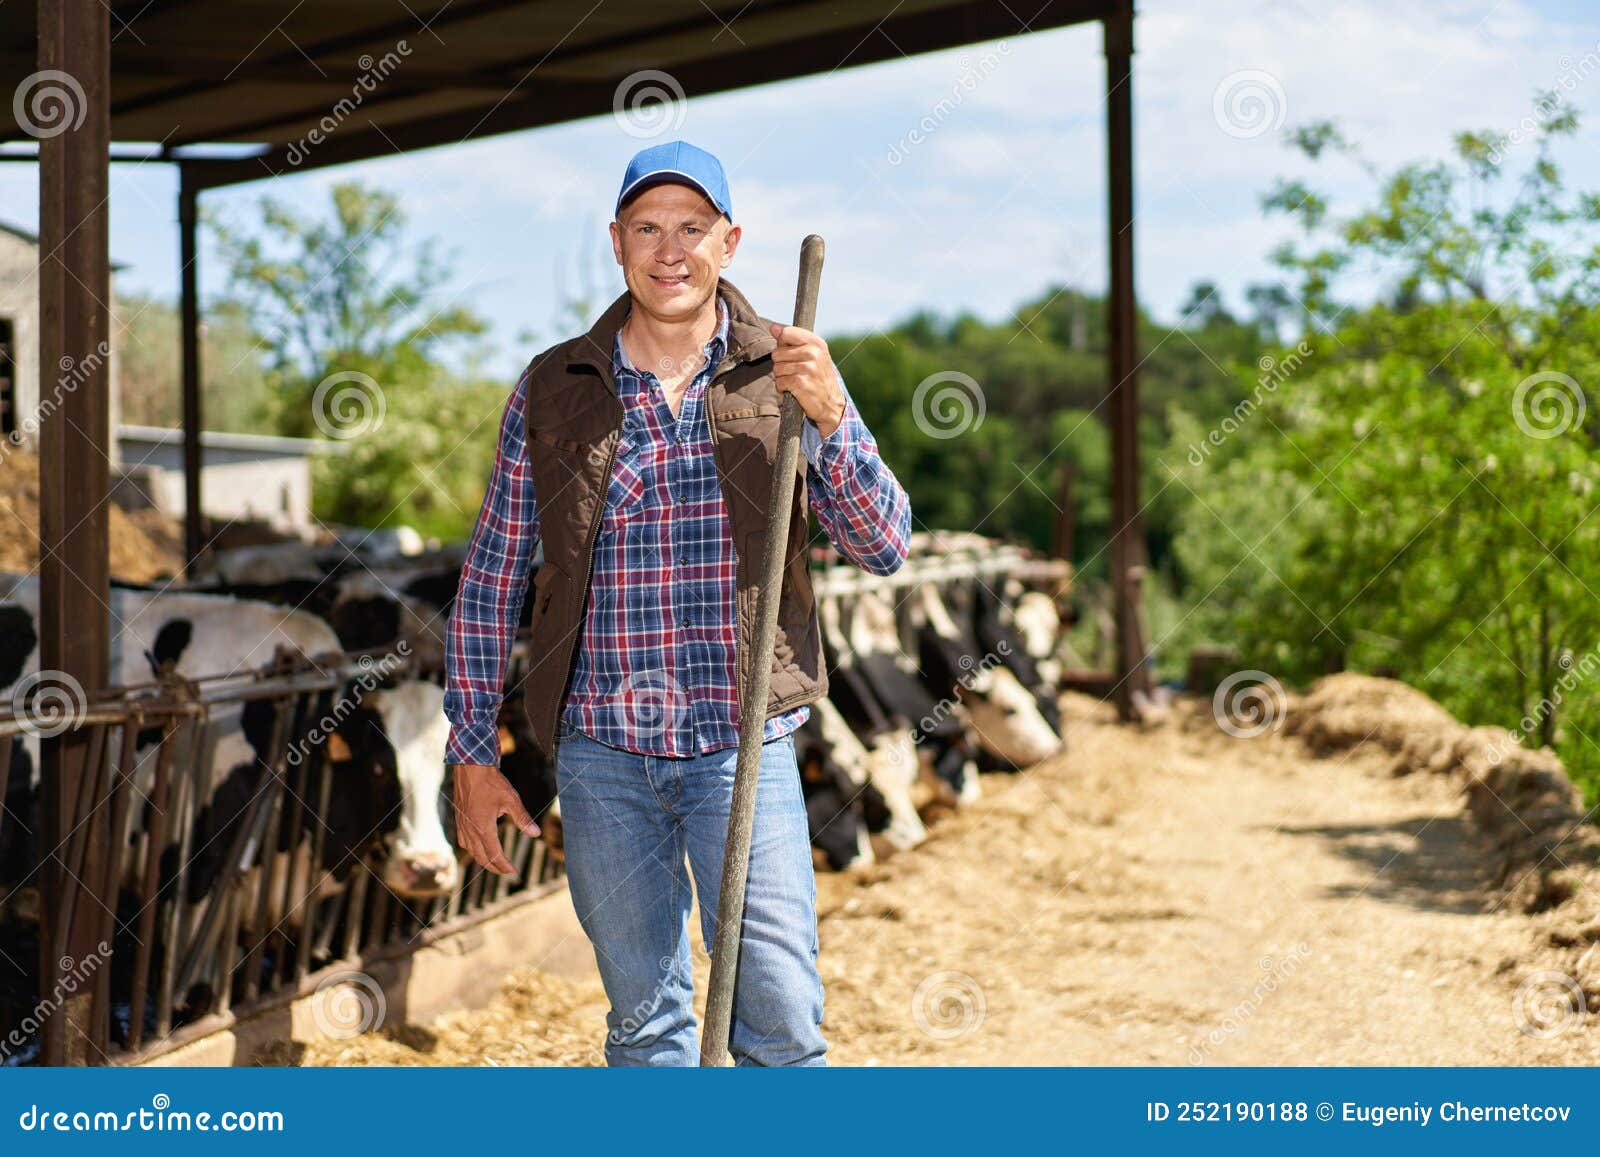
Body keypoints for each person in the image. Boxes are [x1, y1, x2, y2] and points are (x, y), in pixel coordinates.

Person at [443, 139, 911, 1066]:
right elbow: (493, 574)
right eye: (648, 228)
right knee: (646, 1025)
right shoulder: (553, 388)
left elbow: (884, 543)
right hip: (601, 754)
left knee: (779, 1018)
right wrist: (470, 749)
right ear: (616, 242)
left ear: (729, 242)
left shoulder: (787, 372)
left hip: (742, 743)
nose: (671, 249)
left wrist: (831, 419)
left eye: (693, 227)